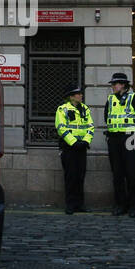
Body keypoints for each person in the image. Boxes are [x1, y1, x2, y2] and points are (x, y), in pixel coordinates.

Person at [104, 71, 135, 217]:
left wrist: (132, 129)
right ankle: (120, 205)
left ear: (122, 85)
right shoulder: (110, 100)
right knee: (117, 173)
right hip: (115, 138)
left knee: (132, 172)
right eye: (112, 84)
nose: (112, 86)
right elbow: (107, 117)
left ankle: (133, 206)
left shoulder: (133, 98)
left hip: (131, 137)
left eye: (114, 84)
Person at [54, 82, 94, 214]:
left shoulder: (85, 109)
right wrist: (73, 142)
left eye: (80, 93)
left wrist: (85, 141)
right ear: (71, 96)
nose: (81, 95)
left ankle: (80, 204)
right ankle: (70, 204)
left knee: (80, 176)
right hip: (69, 148)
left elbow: (90, 127)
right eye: (78, 93)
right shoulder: (62, 109)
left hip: (82, 147)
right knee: (71, 176)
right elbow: (61, 128)